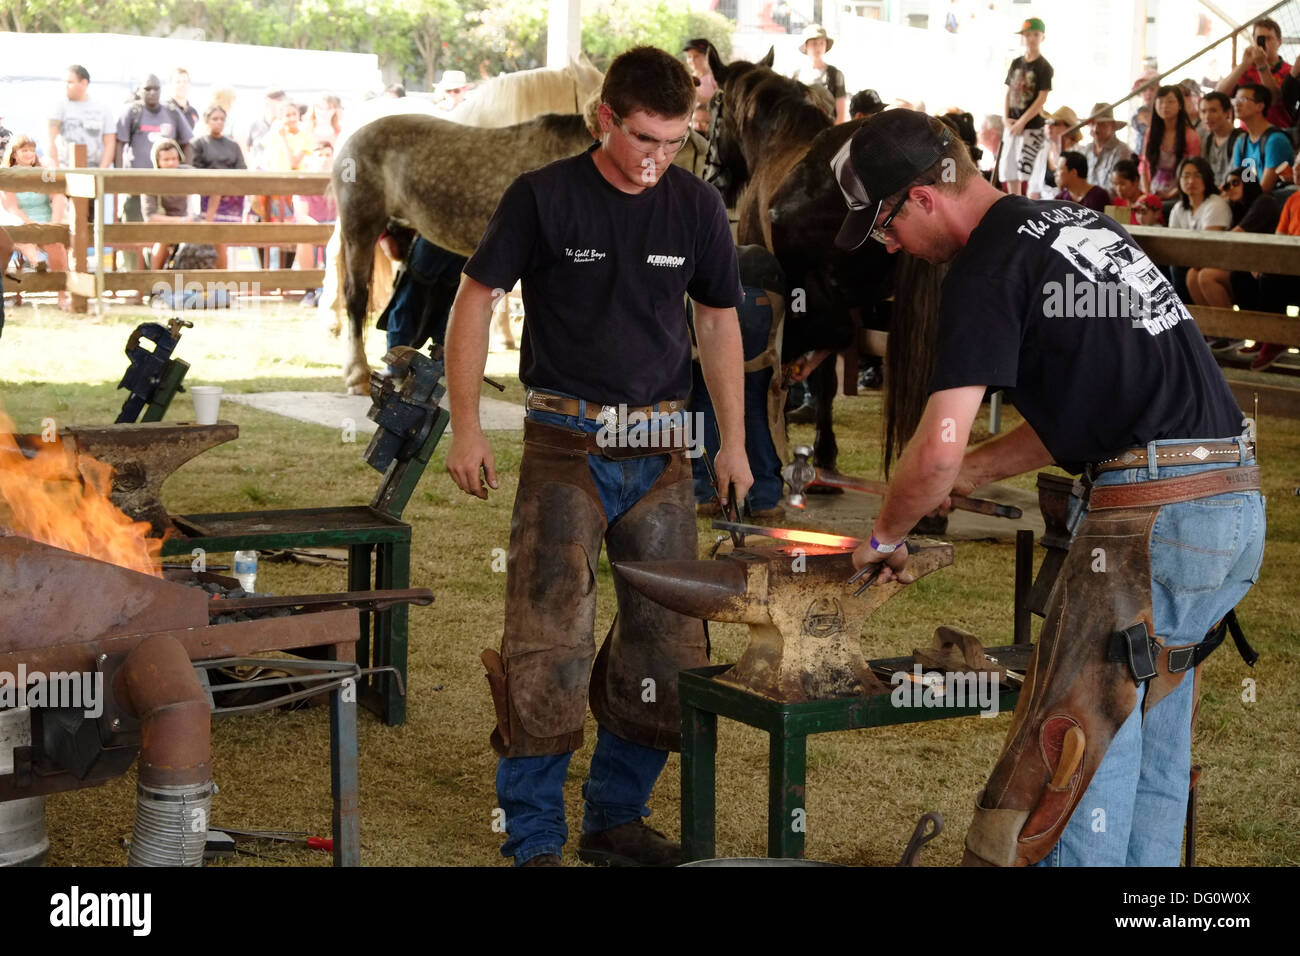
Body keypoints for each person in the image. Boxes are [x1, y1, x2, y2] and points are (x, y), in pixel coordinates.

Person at [833, 108, 1263, 868]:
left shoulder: (986, 266)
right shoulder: (1075, 225)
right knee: (1150, 737)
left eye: (884, 225)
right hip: (1228, 503)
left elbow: (935, 447)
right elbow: (1095, 409)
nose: (889, 244)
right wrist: (974, 471)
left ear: (923, 198)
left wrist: (884, 539)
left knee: (1075, 759)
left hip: (1155, 518)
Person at [445, 45, 750, 867]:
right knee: (549, 638)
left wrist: (735, 441)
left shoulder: (696, 206)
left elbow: (718, 320)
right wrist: (466, 425)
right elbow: (475, 300)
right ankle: (535, 837)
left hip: (663, 445)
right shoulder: (542, 197)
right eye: (645, 139)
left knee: (667, 640)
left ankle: (616, 819)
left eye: (675, 142)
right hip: (562, 440)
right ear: (602, 120)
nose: (658, 158)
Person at [0, 135, 69, 309]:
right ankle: (37, 262)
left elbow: (58, 197)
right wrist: (31, 225)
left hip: (46, 221)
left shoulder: (44, 173)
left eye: (32, 150)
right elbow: (12, 208)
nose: (30, 154)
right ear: (14, 154)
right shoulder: (7, 174)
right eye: (24, 150)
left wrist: (53, 224)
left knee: (57, 246)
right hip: (20, 221)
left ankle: (62, 297)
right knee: (22, 235)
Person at [190, 104, 248, 268]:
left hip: (231, 199)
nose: (219, 122)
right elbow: (194, 168)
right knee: (213, 239)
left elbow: (242, 169)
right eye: (215, 119)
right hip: (207, 198)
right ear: (207, 121)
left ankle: (223, 279)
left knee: (223, 240)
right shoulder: (198, 144)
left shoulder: (232, 145)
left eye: (222, 119)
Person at [1000, 18, 1053, 195]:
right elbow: (1008, 92)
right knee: (1009, 168)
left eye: (1035, 35)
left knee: (1029, 171)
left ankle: (1029, 207)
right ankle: (1015, 202)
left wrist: (1022, 122)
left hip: (1031, 126)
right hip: (1012, 123)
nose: (1031, 38)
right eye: (1027, 34)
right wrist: (1005, 118)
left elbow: (1042, 97)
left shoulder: (1044, 67)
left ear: (1042, 37)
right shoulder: (1016, 63)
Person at [1216, 17, 1293, 129]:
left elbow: (1274, 99)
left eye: (1269, 38)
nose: (1264, 43)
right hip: (1247, 134)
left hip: (1278, 131)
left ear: (1279, 42)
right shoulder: (1247, 69)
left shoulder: (1288, 71)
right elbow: (1220, 93)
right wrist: (1243, 65)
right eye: (1260, 39)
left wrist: (1262, 66)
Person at [48, 64, 116, 169]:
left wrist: (101, 172)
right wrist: (56, 171)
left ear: (84, 83)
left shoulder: (103, 109)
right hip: (65, 169)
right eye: (65, 82)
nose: (65, 86)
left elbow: (110, 143)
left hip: (94, 170)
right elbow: (50, 140)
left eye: (70, 82)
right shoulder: (59, 107)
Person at [1229, 83, 1294, 193]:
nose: (1236, 104)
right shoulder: (1241, 142)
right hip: (1247, 201)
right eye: (1235, 99)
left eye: (1243, 99)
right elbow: (1234, 181)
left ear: (1260, 106)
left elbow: (1264, 189)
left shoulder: (1275, 140)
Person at [1139, 85, 1199, 201]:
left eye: (1170, 102)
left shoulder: (1191, 136)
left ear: (1180, 105)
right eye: (1160, 102)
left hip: (1181, 194)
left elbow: (1193, 172)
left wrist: (1170, 195)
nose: (1165, 106)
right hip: (1153, 191)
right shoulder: (1150, 133)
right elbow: (1144, 164)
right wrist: (1147, 195)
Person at [142, 138, 194, 270]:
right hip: (164, 226)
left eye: (174, 158)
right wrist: (181, 220)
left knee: (216, 237)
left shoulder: (189, 173)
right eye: (166, 160)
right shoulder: (150, 180)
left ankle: (218, 287)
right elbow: (150, 217)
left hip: (190, 223)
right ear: (157, 162)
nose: (171, 163)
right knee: (164, 239)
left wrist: (192, 219)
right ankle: (155, 283)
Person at [792, 24, 847, 124]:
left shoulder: (835, 75)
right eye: (814, 43)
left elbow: (841, 115)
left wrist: (833, 136)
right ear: (806, 46)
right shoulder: (797, 76)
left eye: (821, 43)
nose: (818, 47)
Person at [1027, 105, 1081, 200]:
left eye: (1055, 123)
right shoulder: (1044, 151)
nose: (1049, 126)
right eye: (1047, 122)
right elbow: (1034, 188)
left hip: (1069, 207)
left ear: (1069, 128)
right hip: (1043, 206)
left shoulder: (1079, 153)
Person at [1082, 102, 1132, 190]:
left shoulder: (1121, 150)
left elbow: (1117, 187)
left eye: (1101, 124)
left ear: (1112, 126)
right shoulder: (1087, 149)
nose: (1095, 128)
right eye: (1093, 124)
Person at [1198, 91, 1241, 188]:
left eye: (1213, 111)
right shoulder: (1207, 139)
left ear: (1227, 113)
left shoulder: (1239, 139)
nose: (1207, 117)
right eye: (1203, 112)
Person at [1109, 158, 1164, 225]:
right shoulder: (1117, 202)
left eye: (1122, 184)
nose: (1118, 189)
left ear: (1135, 181)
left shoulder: (1151, 200)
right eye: (1115, 184)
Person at [683, 38, 725, 107]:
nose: (692, 60)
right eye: (689, 56)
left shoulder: (714, 78)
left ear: (707, 57)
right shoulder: (688, 78)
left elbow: (722, 100)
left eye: (696, 56)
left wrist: (700, 99)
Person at [166, 67, 200, 131]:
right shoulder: (164, 110)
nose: (182, 85)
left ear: (189, 84)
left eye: (185, 81)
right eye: (178, 82)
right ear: (170, 84)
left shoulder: (193, 112)